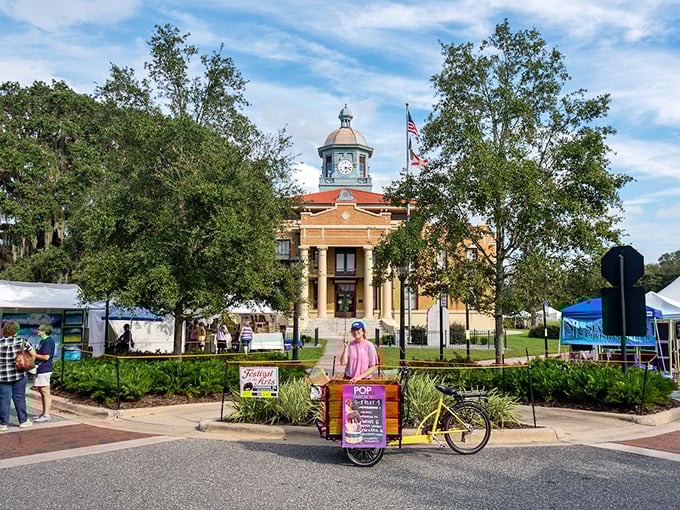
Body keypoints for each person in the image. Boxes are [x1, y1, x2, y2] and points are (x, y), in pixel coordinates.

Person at [0, 320, 36, 431]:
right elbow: (33, 354)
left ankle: (3, 424)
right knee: (20, 398)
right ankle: (23, 421)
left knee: (3, 400)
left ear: (5, 330)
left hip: (2, 376)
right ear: (16, 330)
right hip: (19, 374)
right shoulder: (22, 341)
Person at [33, 324, 56, 422]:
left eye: (39, 330)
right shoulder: (43, 341)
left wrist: (33, 354)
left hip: (44, 369)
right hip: (40, 369)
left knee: (45, 391)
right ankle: (43, 413)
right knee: (42, 391)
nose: (37, 331)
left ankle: (46, 414)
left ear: (44, 331)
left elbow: (46, 357)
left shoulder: (48, 342)